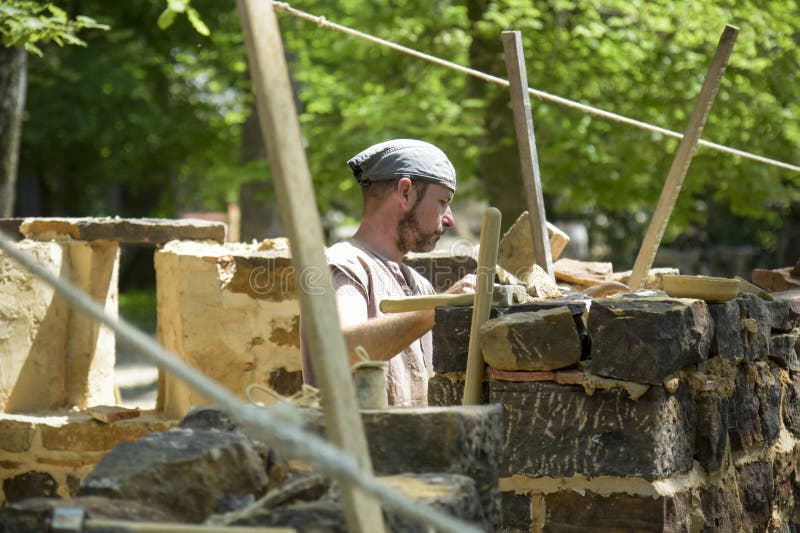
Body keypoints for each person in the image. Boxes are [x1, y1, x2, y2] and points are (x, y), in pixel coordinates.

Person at [301, 139, 474, 406]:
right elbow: (342, 349)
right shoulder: (343, 263)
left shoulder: (419, 285)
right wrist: (439, 308)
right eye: (442, 201)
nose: (449, 219)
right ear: (405, 192)